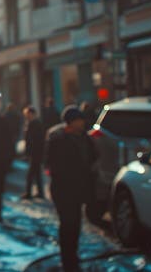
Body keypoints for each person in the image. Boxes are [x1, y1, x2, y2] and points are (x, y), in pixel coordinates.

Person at [45, 106, 99, 272]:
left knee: (75, 223)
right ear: (70, 122)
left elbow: (93, 157)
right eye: (78, 120)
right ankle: (68, 261)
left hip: (79, 187)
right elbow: (51, 163)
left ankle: (72, 256)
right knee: (67, 223)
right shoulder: (58, 139)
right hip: (63, 189)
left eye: (82, 120)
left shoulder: (85, 138)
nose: (81, 123)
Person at [21, 106, 45, 199]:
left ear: (32, 114)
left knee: (31, 174)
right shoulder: (34, 123)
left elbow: (33, 140)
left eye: (28, 114)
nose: (26, 116)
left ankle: (29, 193)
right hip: (36, 152)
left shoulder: (34, 124)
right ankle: (40, 192)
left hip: (35, 153)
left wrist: (28, 152)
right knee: (37, 173)